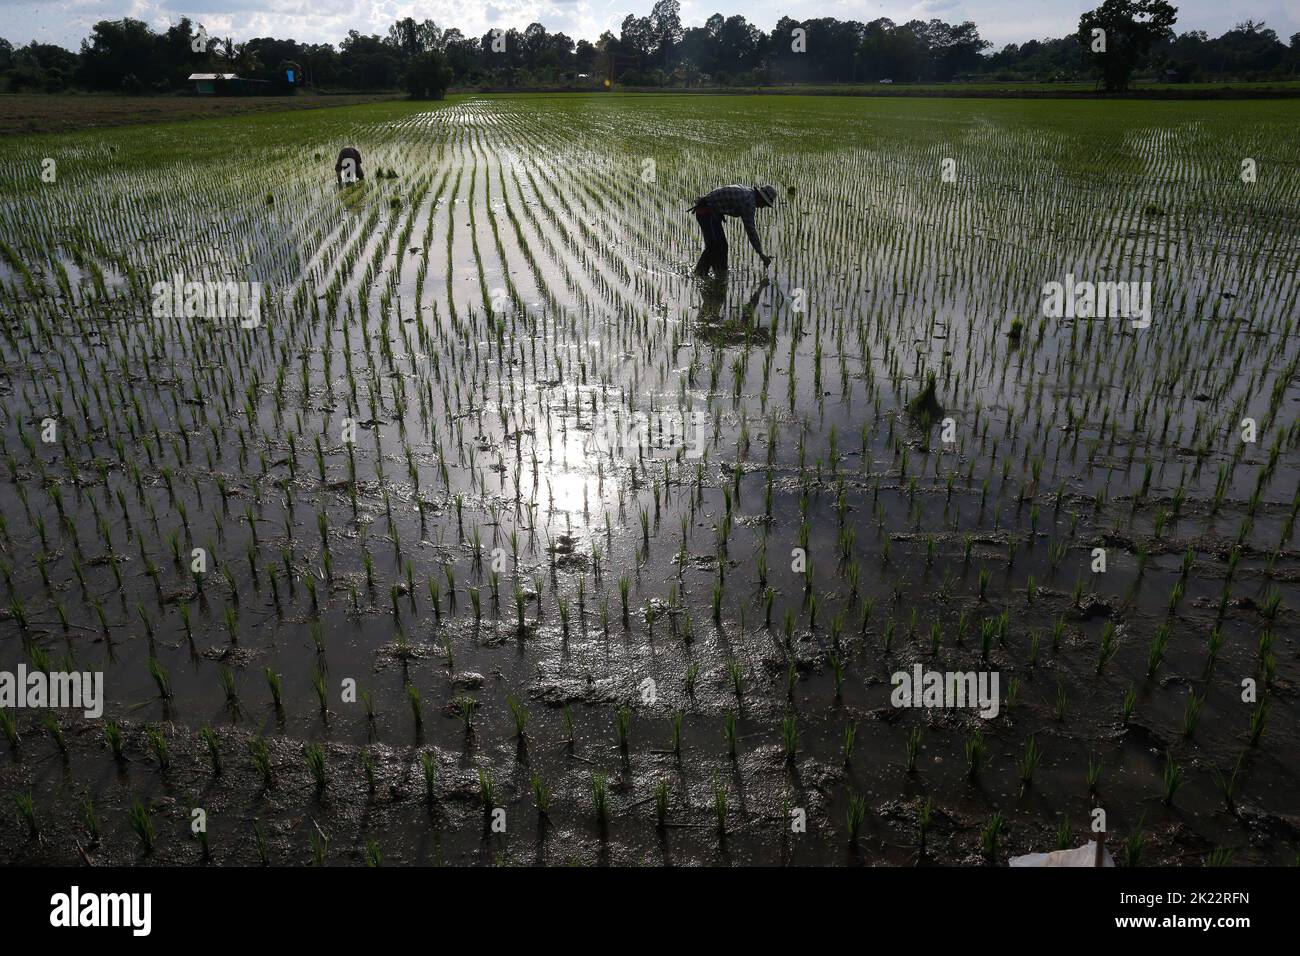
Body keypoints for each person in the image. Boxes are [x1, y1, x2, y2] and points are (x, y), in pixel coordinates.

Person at [688, 184, 777, 277]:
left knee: (722, 246)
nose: (763, 207)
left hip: (712, 212)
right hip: (706, 211)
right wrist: (761, 254)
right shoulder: (749, 202)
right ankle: (699, 274)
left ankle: (720, 272)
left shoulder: (749, 193)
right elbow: (750, 229)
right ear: (761, 198)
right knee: (713, 246)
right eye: (765, 204)